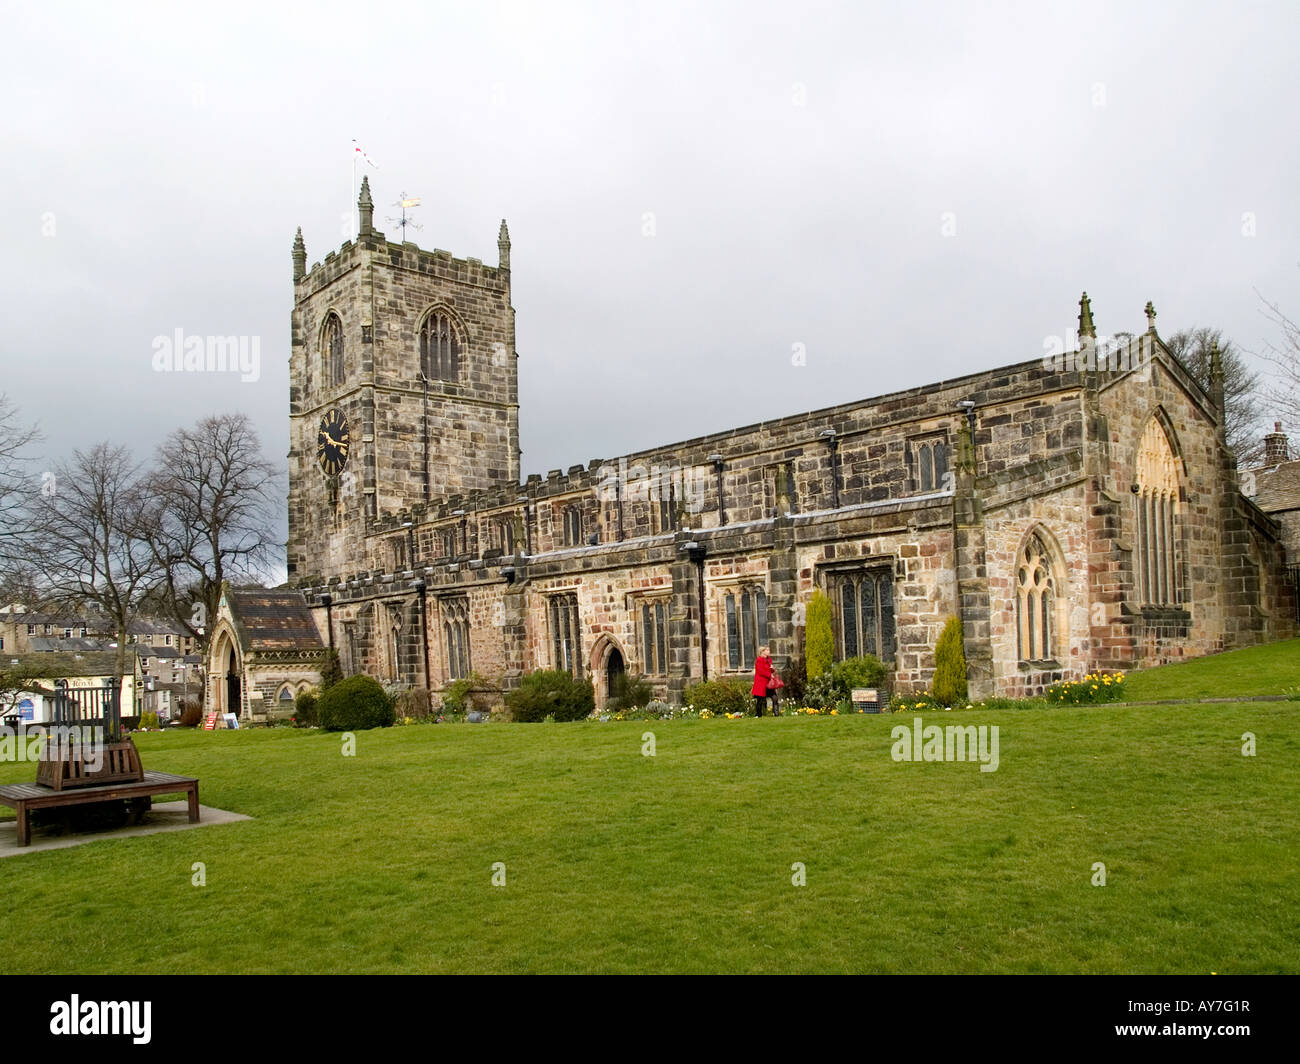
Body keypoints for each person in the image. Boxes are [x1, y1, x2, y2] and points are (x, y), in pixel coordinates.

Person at [751, 645, 779, 716]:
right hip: (761, 683)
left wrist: (772, 669)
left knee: (774, 697)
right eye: (767, 650)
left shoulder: (769, 659)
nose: (769, 651)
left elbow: (771, 670)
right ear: (762, 652)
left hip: (769, 683)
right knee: (760, 700)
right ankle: (758, 715)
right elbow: (761, 671)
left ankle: (776, 714)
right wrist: (769, 675)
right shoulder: (759, 660)